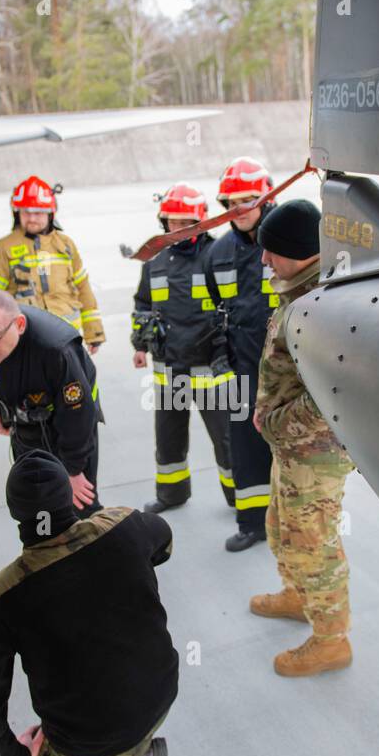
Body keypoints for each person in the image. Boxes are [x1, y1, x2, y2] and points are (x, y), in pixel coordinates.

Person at [0, 449, 178, 756]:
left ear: (15, 513)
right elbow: (164, 543)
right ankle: (133, 755)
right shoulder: (126, 525)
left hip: (90, 740)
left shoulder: (4, 597)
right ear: (69, 496)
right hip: (160, 695)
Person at [251, 200, 356, 677]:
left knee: (312, 541)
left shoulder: (321, 304)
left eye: (272, 251)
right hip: (292, 448)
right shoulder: (299, 290)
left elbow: (333, 394)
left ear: (298, 250)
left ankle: (331, 640)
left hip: (314, 451)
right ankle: (298, 596)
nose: (265, 261)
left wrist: (273, 424)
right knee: (280, 526)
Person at [132, 183, 235, 515]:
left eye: (186, 222)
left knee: (227, 439)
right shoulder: (154, 261)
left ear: (200, 221)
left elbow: (235, 305)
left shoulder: (219, 254)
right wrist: (139, 344)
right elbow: (142, 304)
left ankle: (241, 499)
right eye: (173, 222)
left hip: (211, 368)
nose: (178, 228)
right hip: (169, 368)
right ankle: (171, 494)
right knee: (168, 438)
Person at [0, 289, 102, 515]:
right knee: (34, 500)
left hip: (69, 420)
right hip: (25, 417)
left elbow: (78, 414)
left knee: (76, 505)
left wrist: (72, 470)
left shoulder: (55, 350)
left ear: (20, 325)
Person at [205, 157, 277, 551]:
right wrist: (219, 361)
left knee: (288, 444)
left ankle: (292, 520)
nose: (241, 210)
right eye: (233, 203)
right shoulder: (217, 253)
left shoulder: (290, 235)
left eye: (249, 200)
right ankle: (252, 523)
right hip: (239, 367)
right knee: (244, 446)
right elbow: (210, 314)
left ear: (266, 198)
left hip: (287, 366)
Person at [0, 175, 105, 353]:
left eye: (38, 212)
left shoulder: (66, 244)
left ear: (50, 213)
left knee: (74, 381)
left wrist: (94, 333)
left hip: (68, 338)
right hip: (25, 341)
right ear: (17, 213)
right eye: (26, 212)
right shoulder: (2, 248)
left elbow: (83, 288)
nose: (31, 218)